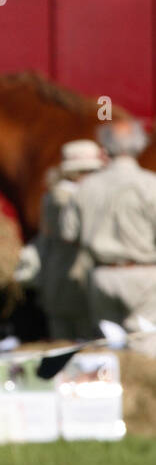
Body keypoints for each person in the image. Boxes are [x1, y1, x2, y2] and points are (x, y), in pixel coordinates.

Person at [75, 120, 156, 335]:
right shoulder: (150, 184)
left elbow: (69, 233)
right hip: (143, 273)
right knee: (145, 339)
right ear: (139, 144)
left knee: (108, 341)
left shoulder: (86, 186)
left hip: (101, 274)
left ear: (106, 146)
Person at [36, 140, 104, 339]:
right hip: (72, 279)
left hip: (58, 278)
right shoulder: (65, 198)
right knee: (82, 340)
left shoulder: (55, 195)